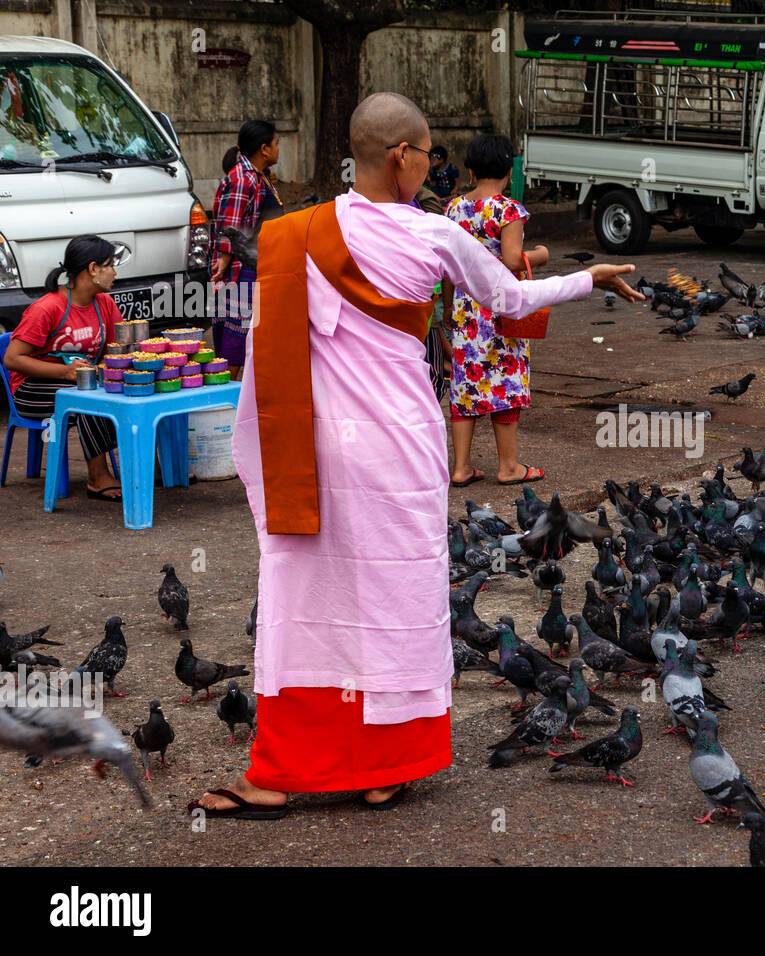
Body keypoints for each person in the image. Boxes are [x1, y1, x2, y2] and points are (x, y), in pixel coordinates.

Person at [188, 92, 640, 818]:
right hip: (399, 447)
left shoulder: (297, 231)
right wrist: (593, 277)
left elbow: (266, 342)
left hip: (319, 452)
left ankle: (277, 772)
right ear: (401, 157)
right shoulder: (434, 236)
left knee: (306, 598)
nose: (434, 167)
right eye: (428, 153)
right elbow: (509, 296)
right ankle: (385, 766)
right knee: (399, 599)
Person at [443, 133, 547, 487]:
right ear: (508, 171)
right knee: (504, 380)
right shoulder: (508, 210)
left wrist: (446, 310)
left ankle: (460, 467)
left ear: (470, 171)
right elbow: (513, 259)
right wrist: (541, 255)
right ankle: (509, 467)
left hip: (465, 310)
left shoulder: (453, 209)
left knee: (466, 384)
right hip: (500, 309)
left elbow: (447, 267)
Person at [3, 235, 122, 500]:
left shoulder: (105, 304)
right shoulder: (46, 308)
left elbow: (116, 350)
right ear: (93, 269)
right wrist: (65, 372)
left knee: (133, 388)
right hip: (30, 391)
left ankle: (155, 466)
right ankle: (97, 476)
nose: (114, 272)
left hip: (77, 381)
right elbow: (12, 359)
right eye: (110, 264)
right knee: (85, 397)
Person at [210, 120, 284, 378]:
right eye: (276, 144)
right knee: (233, 349)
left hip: (259, 270)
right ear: (264, 148)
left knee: (250, 343)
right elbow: (231, 226)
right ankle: (224, 408)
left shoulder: (259, 176)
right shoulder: (242, 179)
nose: (278, 149)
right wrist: (224, 262)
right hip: (241, 274)